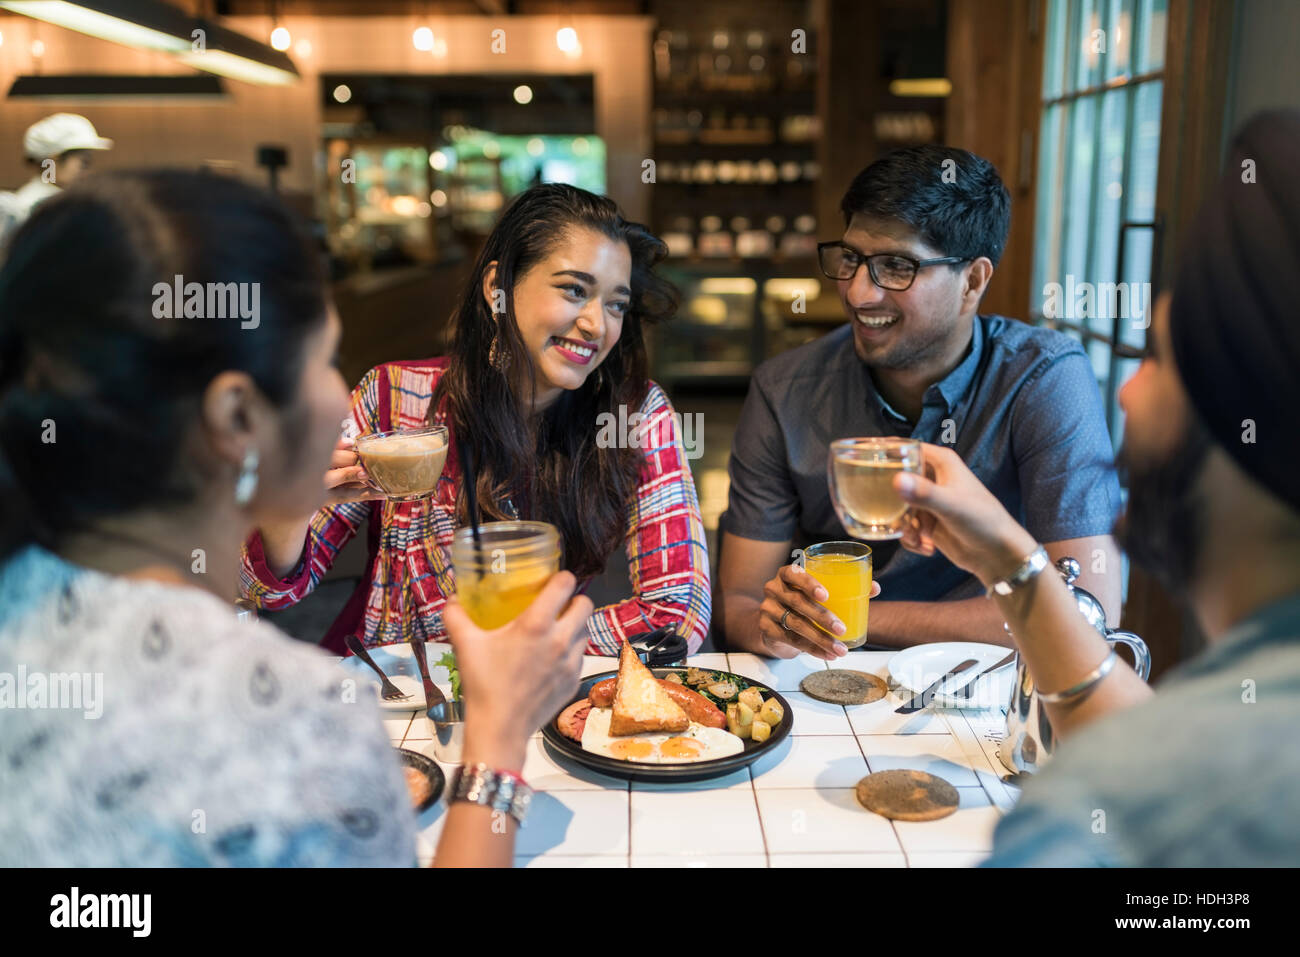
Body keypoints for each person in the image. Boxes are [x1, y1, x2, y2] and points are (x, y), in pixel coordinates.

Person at [0, 170, 591, 867]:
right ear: (237, 415)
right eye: (324, 359)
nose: (347, 394)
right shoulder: (302, 719)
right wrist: (498, 738)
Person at [891, 110, 1300, 865]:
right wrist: (1013, 560)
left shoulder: (1090, 824)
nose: (1127, 395)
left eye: (1159, 359)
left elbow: (1149, 775)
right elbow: (1164, 745)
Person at [240, 184, 711, 656]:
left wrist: (506, 655)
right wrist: (289, 509)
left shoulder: (634, 416)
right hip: (399, 693)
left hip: (539, 691)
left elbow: (676, 615)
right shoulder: (393, 397)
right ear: (497, 288)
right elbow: (269, 591)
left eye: (616, 304)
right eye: (574, 289)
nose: (598, 324)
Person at [717, 145, 1121, 661]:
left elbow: (1091, 608)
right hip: (825, 677)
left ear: (973, 281)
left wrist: (853, 621)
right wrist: (773, 626)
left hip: (982, 682)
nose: (860, 293)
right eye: (851, 259)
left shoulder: (1041, 377)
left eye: (897, 266)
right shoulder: (785, 388)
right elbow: (740, 604)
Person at [0, 113, 112, 251]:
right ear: (53, 160)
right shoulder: (30, 208)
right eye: (84, 162)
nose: (87, 170)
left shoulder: (67, 201)